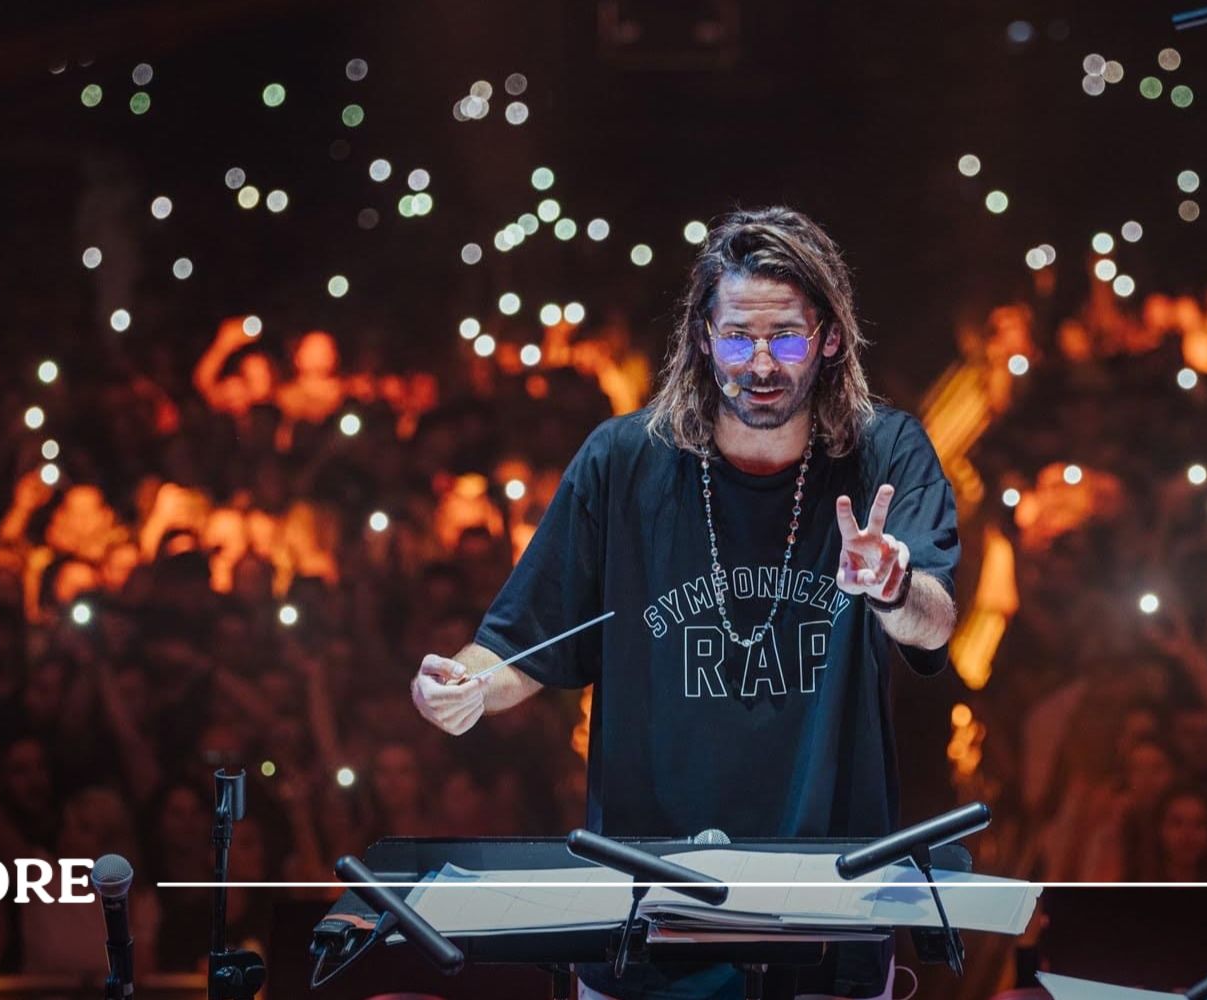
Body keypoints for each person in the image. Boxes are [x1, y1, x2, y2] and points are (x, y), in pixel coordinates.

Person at [410, 207, 961, 1000]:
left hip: (828, 911)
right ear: (703, 338)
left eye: (787, 339)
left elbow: (934, 624)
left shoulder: (887, 453)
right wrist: (461, 687)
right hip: (647, 913)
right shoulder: (623, 462)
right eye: (738, 338)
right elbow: (519, 646)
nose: (760, 364)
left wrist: (894, 586)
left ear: (831, 340)